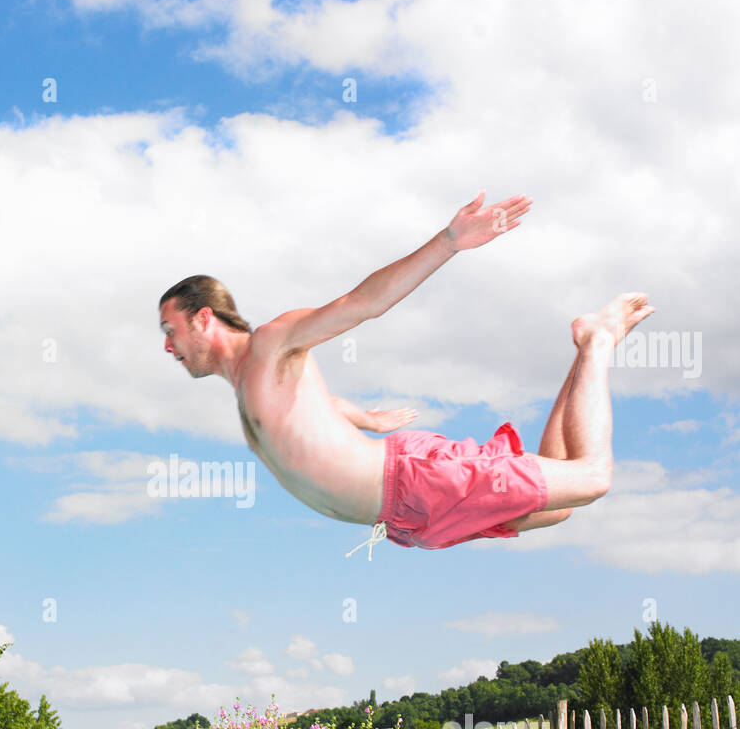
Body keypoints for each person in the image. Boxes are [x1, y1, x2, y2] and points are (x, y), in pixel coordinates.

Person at [158, 192, 653, 556]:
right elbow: (316, 412)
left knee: (592, 477)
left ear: (204, 318)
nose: (167, 346)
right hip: (408, 518)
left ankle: (598, 341)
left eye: (170, 329)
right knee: (559, 504)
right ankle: (585, 349)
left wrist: (450, 241)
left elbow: (362, 303)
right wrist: (366, 418)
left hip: (414, 480)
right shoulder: (247, 390)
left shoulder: (270, 344)